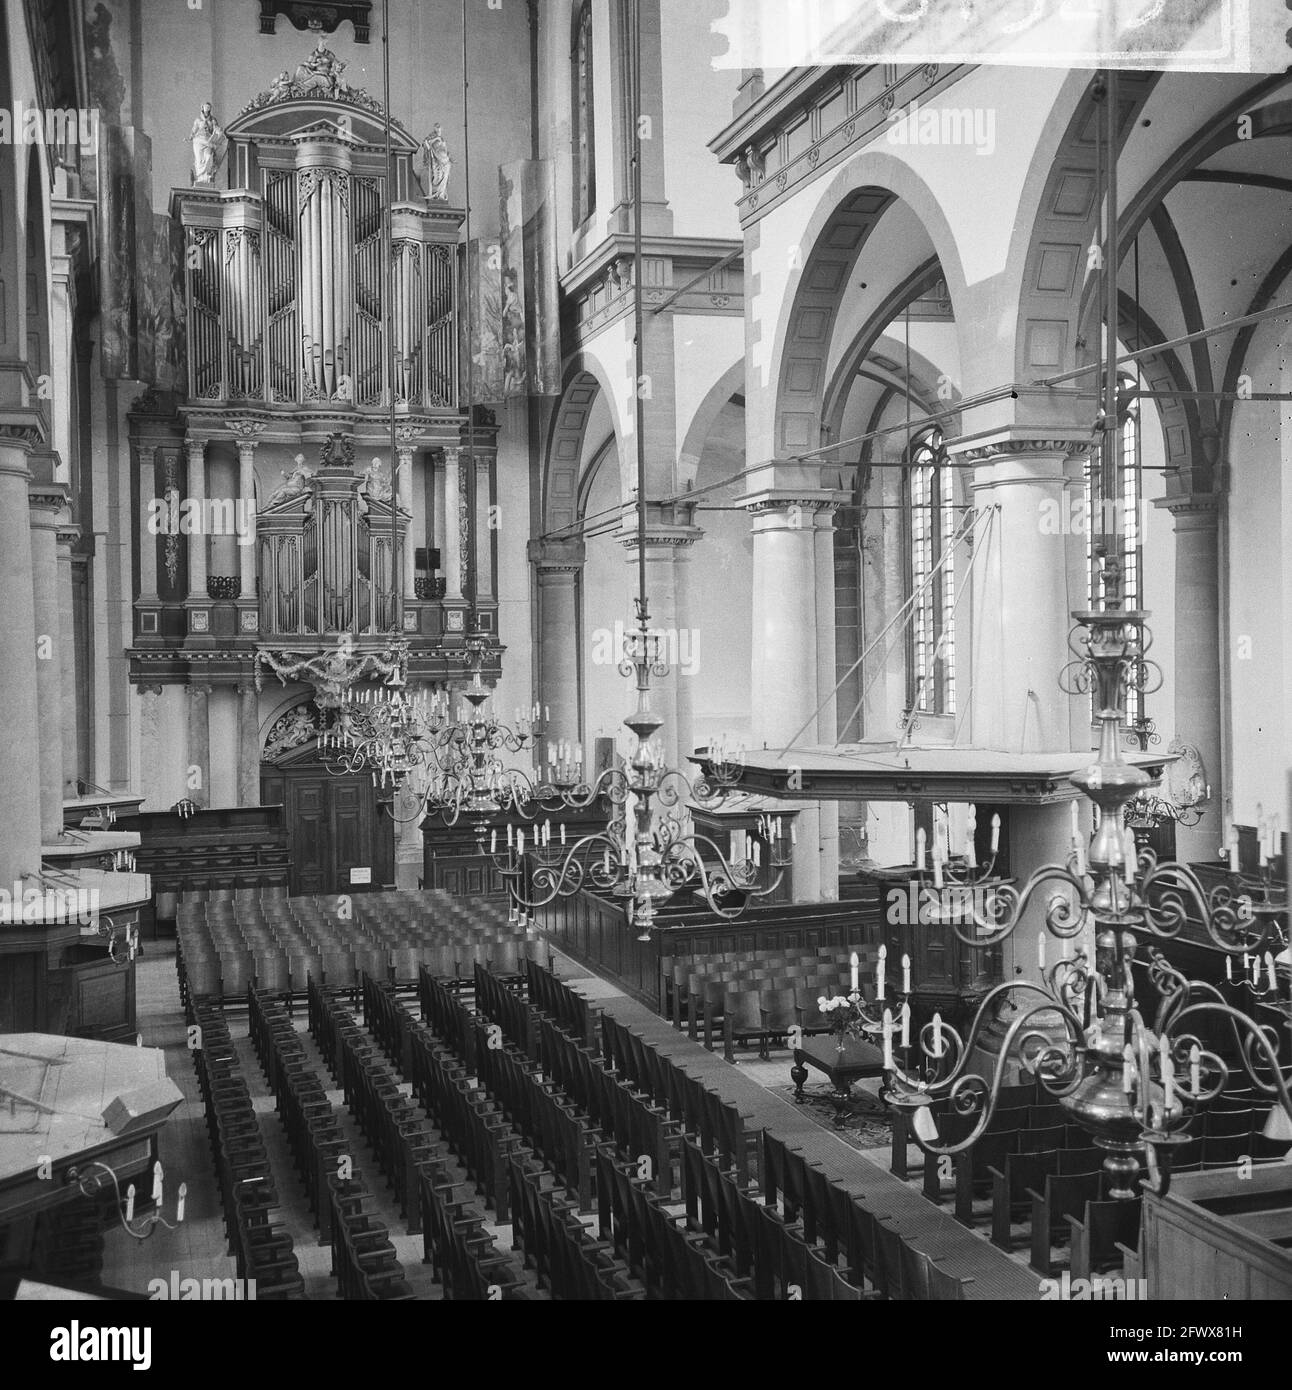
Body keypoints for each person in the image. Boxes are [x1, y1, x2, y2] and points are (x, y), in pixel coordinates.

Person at [190, 102, 227, 186]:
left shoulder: (213, 120)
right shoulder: (198, 120)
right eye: (205, 107)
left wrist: (219, 132)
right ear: (202, 108)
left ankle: (206, 177)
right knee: (200, 160)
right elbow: (194, 130)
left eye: (208, 107)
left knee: (208, 157)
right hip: (199, 141)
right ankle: (201, 177)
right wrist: (190, 137)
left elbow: (216, 129)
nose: (207, 109)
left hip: (209, 140)